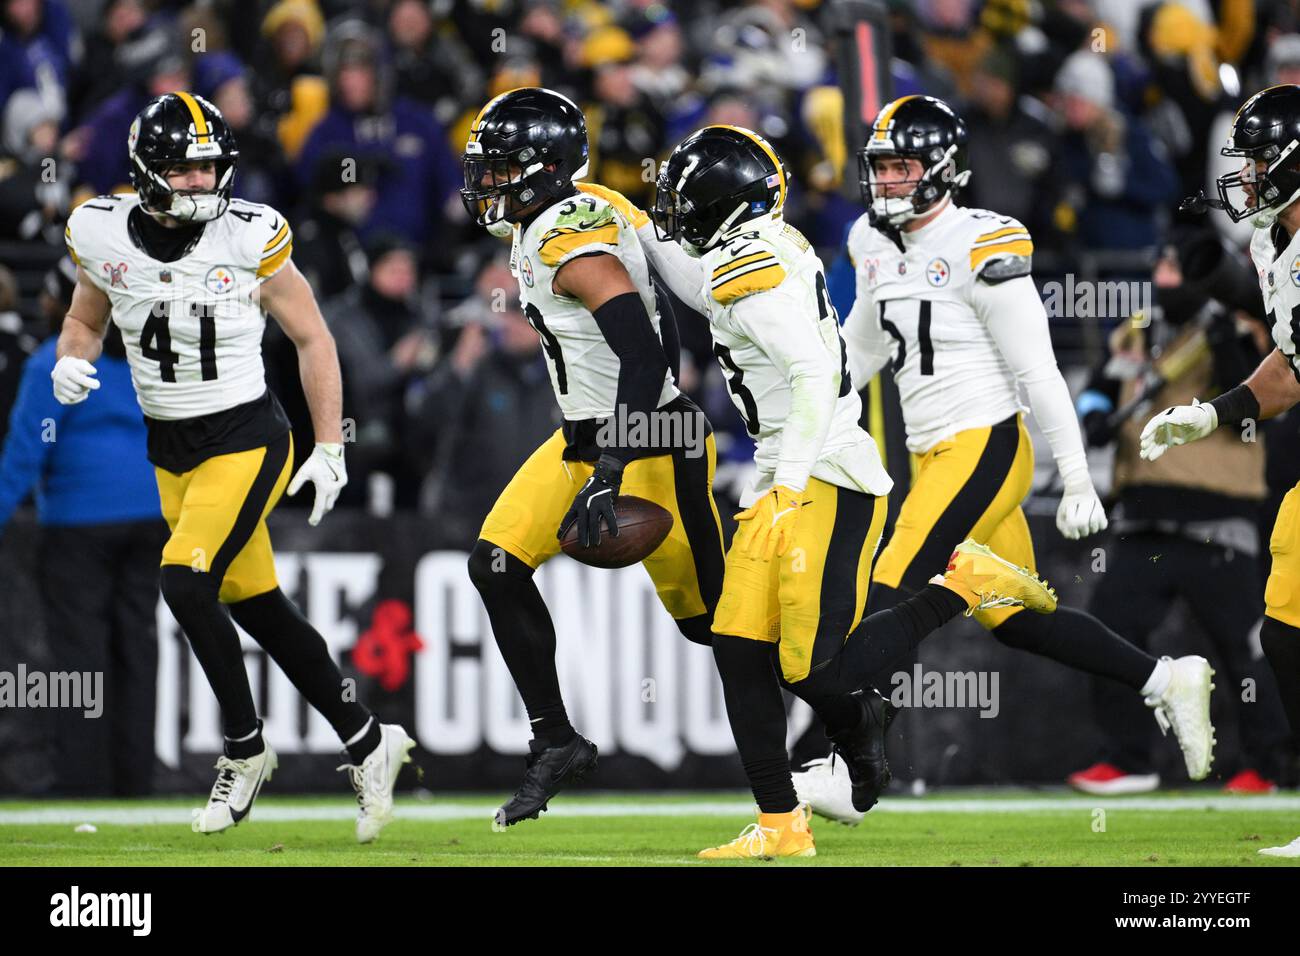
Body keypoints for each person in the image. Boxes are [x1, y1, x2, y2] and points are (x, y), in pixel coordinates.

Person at [599, 126, 1059, 859]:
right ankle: (782, 825)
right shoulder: (745, 251)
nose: (675, 214)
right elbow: (695, 282)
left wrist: (784, 487)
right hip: (787, 468)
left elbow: (814, 376)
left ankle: (965, 584)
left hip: (826, 476)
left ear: (722, 205)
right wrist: (627, 218)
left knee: (808, 666)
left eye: (684, 203)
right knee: (737, 648)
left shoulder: (759, 269)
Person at [796, 95, 1215, 825]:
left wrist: (1078, 475)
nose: (888, 181)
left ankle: (835, 766)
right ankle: (1164, 678)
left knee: (891, 588)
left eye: (902, 167)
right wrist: (807, 417)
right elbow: (862, 346)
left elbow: (1039, 371)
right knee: (1018, 618)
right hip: (935, 455)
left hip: (987, 442)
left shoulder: (982, 241)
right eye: (881, 167)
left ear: (942, 169)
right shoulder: (869, 238)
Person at [55, 91, 413, 841]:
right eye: (184, 169)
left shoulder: (249, 234)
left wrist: (328, 445)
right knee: (260, 608)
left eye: (209, 166)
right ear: (147, 170)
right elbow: (86, 318)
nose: (199, 181)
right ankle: (371, 740)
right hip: (171, 449)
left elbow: (314, 337)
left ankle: (245, 749)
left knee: (183, 579)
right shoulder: (100, 230)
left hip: (247, 436)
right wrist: (70, 361)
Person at [458, 87, 727, 829]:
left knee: (716, 625)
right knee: (495, 564)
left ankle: (838, 720)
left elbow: (642, 355)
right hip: (587, 431)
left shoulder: (562, 242)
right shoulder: (583, 202)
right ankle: (557, 740)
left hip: (652, 437)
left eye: (499, 167)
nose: (485, 182)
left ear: (542, 169)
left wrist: (612, 470)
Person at [1141, 84, 1300, 858]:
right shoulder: (1276, 242)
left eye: (1262, 159)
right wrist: (1212, 412)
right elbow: (1293, 367)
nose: (1249, 175)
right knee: (1287, 623)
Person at [0, 260, 164, 796]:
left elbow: (25, 453)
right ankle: (134, 779)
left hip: (79, 523)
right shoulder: (144, 361)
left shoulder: (55, 362)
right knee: (137, 646)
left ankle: (84, 781)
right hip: (150, 518)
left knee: (81, 654)